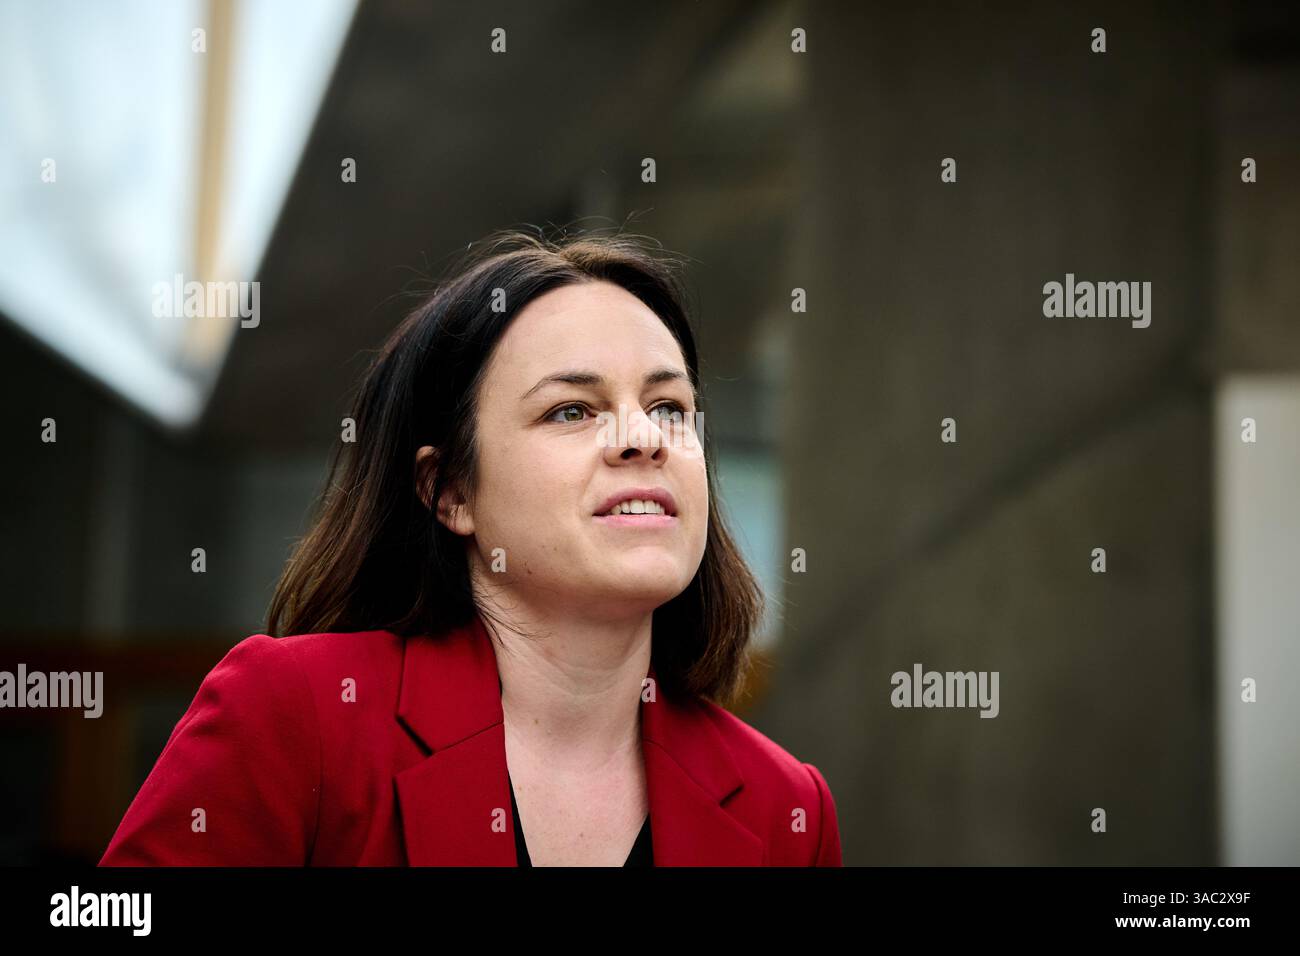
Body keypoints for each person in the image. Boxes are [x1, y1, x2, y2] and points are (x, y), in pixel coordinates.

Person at [99, 227, 843, 866]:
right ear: (449, 490)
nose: (643, 439)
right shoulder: (294, 716)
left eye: (669, 408)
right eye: (572, 409)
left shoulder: (787, 810)